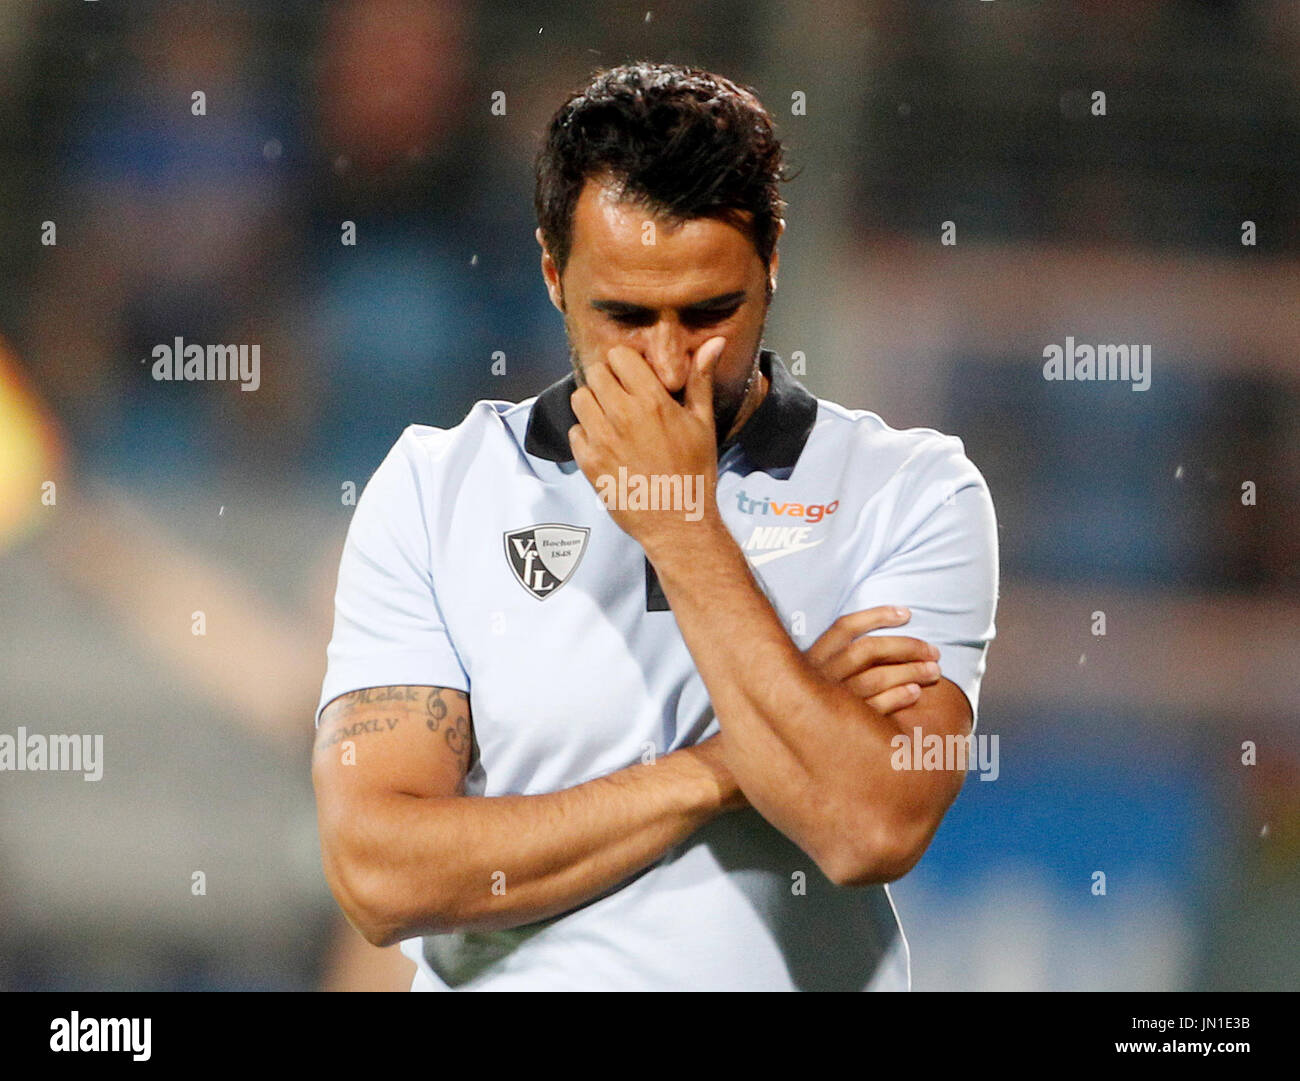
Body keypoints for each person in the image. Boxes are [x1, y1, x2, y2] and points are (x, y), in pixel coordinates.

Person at [312, 61, 998, 991]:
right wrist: (725, 767)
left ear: (775, 263)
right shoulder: (436, 491)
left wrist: (682, 525)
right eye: (627, 316)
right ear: (554, 274)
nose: (673, 362)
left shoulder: (911, 493)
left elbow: (868, 825)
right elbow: (380, 874)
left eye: (711, 312)